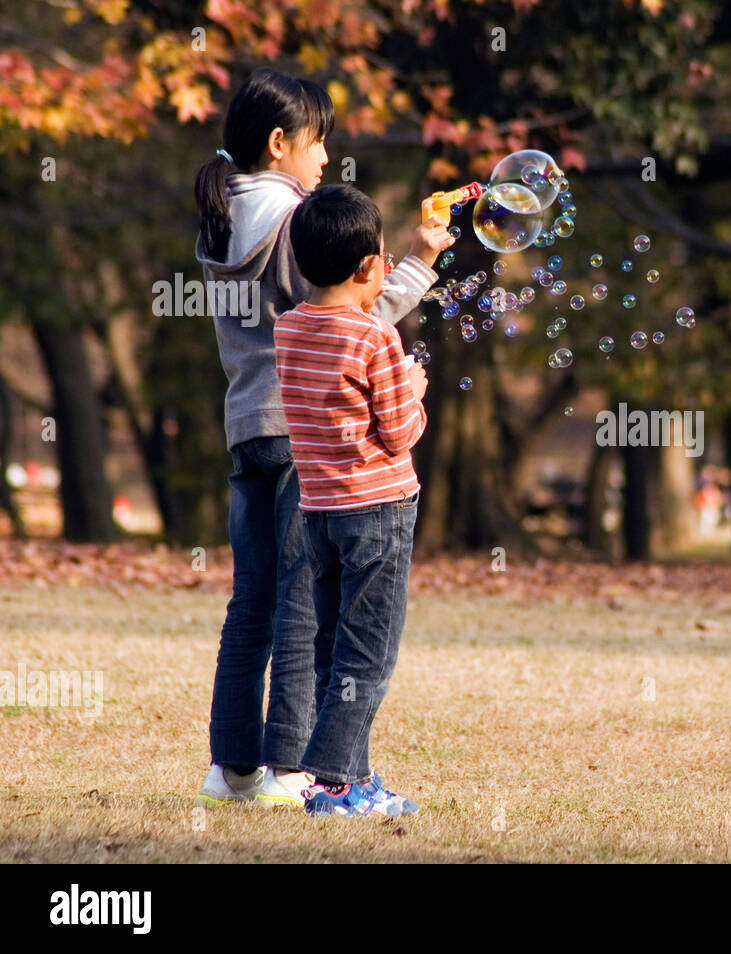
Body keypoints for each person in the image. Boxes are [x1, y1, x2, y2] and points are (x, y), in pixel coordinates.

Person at [193, 68, 450, 807]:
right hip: (308, 433)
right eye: (318, 143)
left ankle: (231, 767)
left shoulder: (220, 214)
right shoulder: (295, 220)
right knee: (305, 604)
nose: (326, 160)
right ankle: (292, 769)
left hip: (248, 426)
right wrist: (422, 262)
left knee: (253, 601)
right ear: (280, 143)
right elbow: (352, 322)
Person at [275, 185, 430, 816]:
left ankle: (356, 779)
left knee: (333, 646)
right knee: (368, 654)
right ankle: (334, 783)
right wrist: (414, 388)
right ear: (370, 268)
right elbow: (398, 433)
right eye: (386, 259)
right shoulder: (374, 339)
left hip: (320, 512)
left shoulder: (289, 329)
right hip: (378, 511)